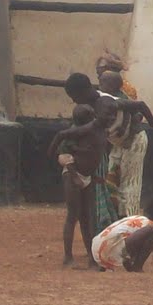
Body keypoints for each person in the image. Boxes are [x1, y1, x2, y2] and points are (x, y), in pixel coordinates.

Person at [60, 71, 152, 235]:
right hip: (117, 144)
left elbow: (139, 106)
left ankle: (133, 229)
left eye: (73, 96)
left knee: (130, 186)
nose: (73, 100)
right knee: (111, 185)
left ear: (82, 92)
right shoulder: (87, 109)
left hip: (134, 141)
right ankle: (118, 226)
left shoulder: (107, 101)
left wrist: (151, 124)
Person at [49, 104, 103, 268]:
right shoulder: (74, 133)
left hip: (86, 176)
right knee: (73, 216)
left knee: (86, 217)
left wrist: (92, 175)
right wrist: (74, 176)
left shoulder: (87, 132)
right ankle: (68, 257)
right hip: (73, 175)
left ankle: (92, 257)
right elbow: (65, 157)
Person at [98, 68, 153, 217]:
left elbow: (140, 107)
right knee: (112, 178)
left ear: (112, 85)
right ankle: (117, 215)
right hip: (120, 143)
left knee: (130, 183)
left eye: (102, 81)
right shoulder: (107, 98)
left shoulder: (117, 99)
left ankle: (130, 218)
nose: (99, 84)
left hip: (134, 142)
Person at [90, 197, 153, 273]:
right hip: (110, 252)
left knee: (125, 238)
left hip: (95, 250)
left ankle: (105, 266)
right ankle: (137, 267)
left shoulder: (134, 218)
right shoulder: (152, 226)